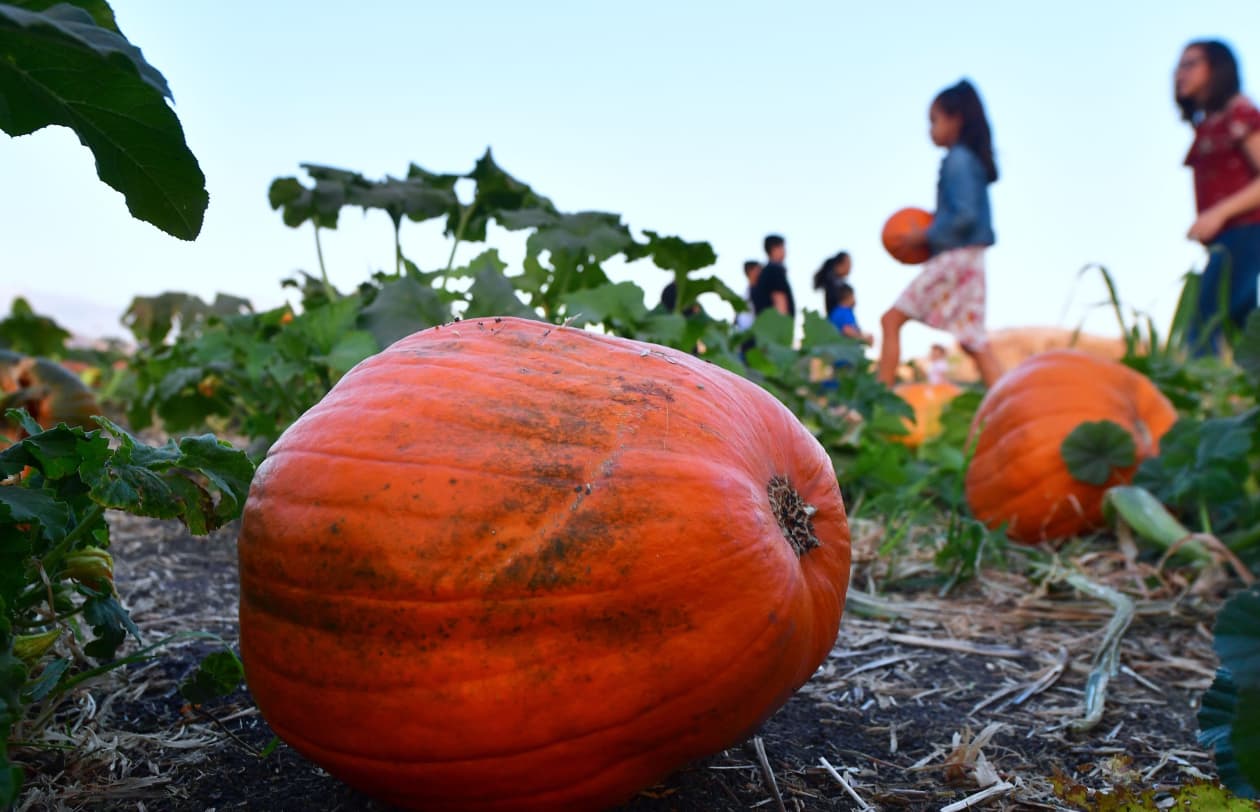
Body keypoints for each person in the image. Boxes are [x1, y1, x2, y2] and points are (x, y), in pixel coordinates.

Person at [878, 79, 1003, 387]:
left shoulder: (957, 160)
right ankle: (1016, 403)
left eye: (934, 121)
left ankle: (876, 402)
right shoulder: (969, 160)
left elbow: (964, 215)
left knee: (891, 320)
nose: (930, 130)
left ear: (956, 118)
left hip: (957, 257)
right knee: (974, 341)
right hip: (971, 258)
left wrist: (923, 236)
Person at [1175, 39, 1260, 355]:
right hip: (1230, 237)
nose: (1179, 74)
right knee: (1245, 332)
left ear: (1218, 69)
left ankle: (1194, 393)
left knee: (1202, 321)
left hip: (1246, 231)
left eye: (1190, 64)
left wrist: (1218, 213)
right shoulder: (1209, 123)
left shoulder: (1240, 113)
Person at [751, 234, 795, 317]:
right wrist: (783, 325)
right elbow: (779, 299)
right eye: (782, 247)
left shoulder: (765, 272)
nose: (785, 251)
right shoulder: (774, 270)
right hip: (775, 326)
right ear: (775, 249)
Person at [734, 260, 763, 330]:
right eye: (758, 270)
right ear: (750, 271)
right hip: (745, 333)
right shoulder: (745, 294)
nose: (762, 273)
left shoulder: (762, 292)